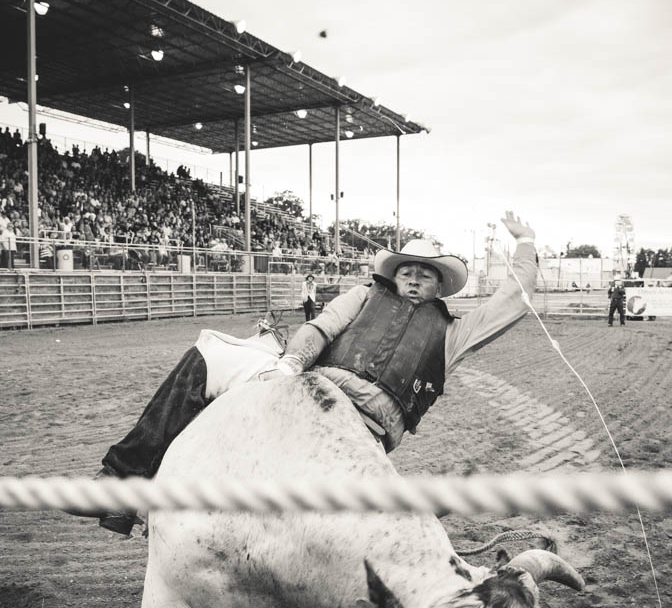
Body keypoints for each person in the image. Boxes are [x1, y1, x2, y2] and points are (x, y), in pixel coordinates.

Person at [82, 211, 541, 535]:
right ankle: (123, 480)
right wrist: (290, 363)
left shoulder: (452, 333)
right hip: (309, 385)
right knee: (208, 354)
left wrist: (524, 244)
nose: (416, 278)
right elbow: (320, 329)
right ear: (396, 274)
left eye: (427, 273)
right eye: (409, 271)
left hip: (368, 424)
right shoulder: (364, 295)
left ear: (441, 286)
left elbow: (512, 302)